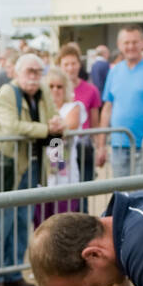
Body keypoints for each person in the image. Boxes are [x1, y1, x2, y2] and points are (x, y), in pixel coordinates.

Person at [0, 53, 63, 286]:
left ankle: (13, 271)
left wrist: (55, 126)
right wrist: (47, 128)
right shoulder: (8, 92)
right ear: (16, 73)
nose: (34, 76)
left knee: (21, 220)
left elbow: (54, 118)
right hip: (4, 166)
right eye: (29, 71)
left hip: (32, 165)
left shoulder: (43, 92)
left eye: (38, 72)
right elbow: (12, 126)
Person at [98, 25, 143, 177]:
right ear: (119, 45)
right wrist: (101, 145)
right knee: (122, 196)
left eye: (135, 42)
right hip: (118, 147)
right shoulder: (114, 71)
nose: (130, 46)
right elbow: (107, 109)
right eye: (126, 42)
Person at [32, 65, 86, 225]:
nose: (55, 90)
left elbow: (69, 124)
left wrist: (49, 127)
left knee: (64, 225)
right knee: (42, 225)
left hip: (66, 179)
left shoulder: (74, 107)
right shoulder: (39, 109)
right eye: (51, 86)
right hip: (42, 179)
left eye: (59, 86)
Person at [57, 42, 103, 185]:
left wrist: (100, 148)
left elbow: (95, 123)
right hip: (59, 147)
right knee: (59, 184)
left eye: (73, 63)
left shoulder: (91, 90)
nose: (70, 68)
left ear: (79, 65)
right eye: (66, 64)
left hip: (83, 147)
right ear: (60, 66)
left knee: (83, 189)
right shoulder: (53, 88)